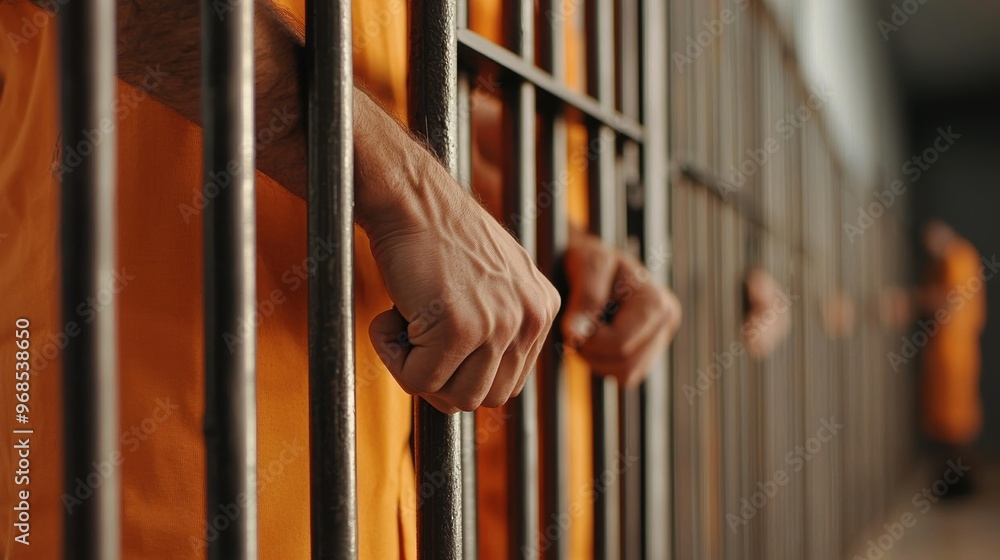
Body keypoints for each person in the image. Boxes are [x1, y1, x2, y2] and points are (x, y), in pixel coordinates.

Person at [0, 1, 679, 558]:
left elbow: (397, 91)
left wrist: (548, 240)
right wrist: (411, 196)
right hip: (143, 473)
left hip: (372, 494)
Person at [917, 219, 985, 494]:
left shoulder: (958, 258)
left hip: (955, 353)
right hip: (952, 352)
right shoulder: (952, 261)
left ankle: (959, 484)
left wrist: (911, 302)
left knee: (955, 422)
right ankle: (954, 483)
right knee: (949, 421)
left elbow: (949, 301)